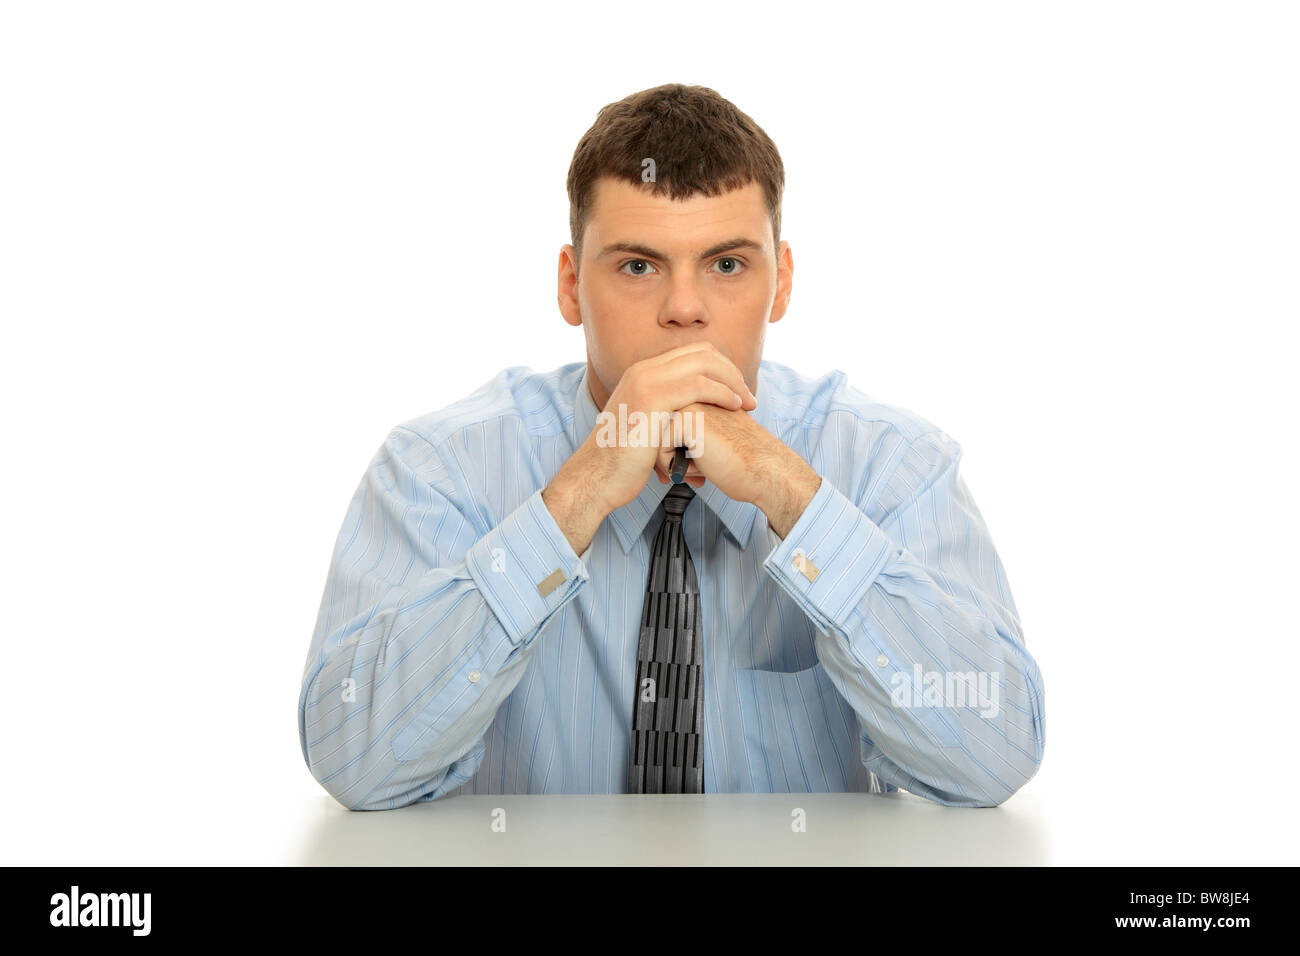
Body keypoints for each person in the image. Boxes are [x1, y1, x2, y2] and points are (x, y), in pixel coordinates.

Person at [298, 83, 1046, 811]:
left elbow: (997, 757)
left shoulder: (891, 465)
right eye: (637, 266)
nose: (684, 310)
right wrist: (575, 499)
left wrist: (793, 498)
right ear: (569, 286)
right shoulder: (438, 471)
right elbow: (351, 762)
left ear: (781, 283)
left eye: (727, 265)